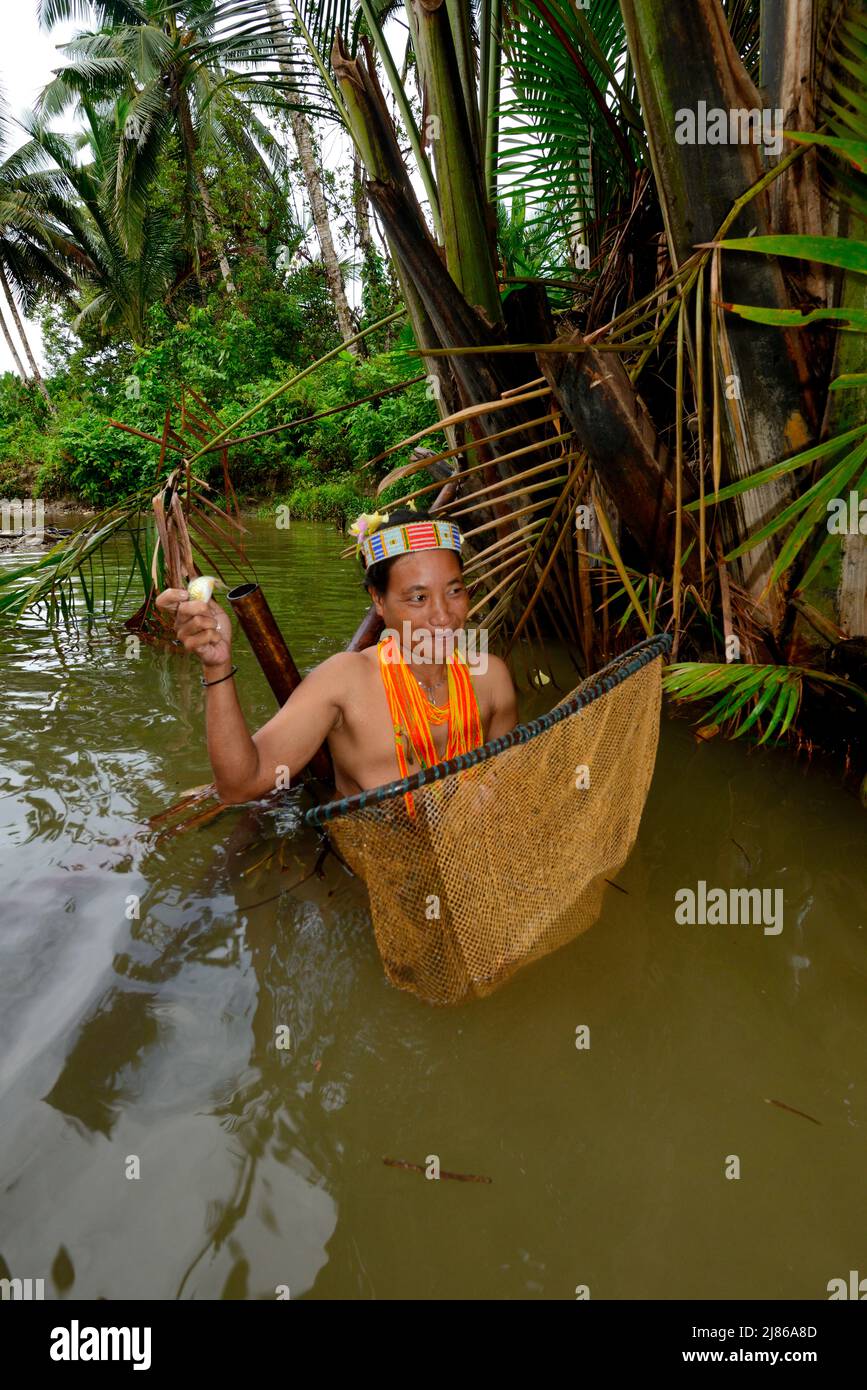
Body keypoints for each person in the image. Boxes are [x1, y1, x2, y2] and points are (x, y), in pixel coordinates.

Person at [155, 508, 518, 804]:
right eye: (418, 598)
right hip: (378, 862)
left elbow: (507, 783)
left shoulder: (491, 679)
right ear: (378, 600)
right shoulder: (345, 682)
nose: (443, 615)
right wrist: (217, 666)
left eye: (454, 591)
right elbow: (241, 785)